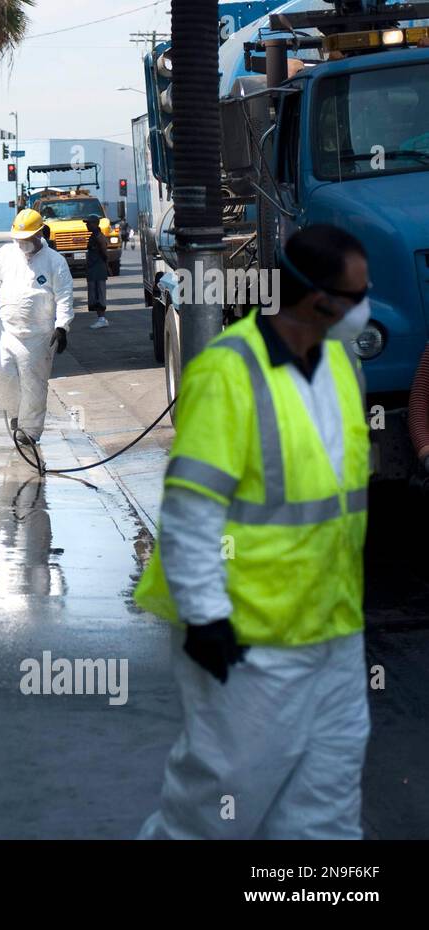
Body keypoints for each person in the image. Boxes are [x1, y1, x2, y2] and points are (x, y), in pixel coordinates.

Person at [134, 224, 374, 840]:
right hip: (249, 639)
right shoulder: (228, 372)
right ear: (317, 300)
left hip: (334, 632)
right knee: (215, 811)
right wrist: (207, 618)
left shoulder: (341, 363)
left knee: (325, 812)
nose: (366, 307)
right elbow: (191, 511)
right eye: (357, 295)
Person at [0, 209, 73, 445]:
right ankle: (16, 413)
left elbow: (64, 296)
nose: (22, 244)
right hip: (6, 329)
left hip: (39, 335)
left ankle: (30, 430)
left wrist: (62, 326)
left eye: (26, 239)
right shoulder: (6, 254)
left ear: (39, 234)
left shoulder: (55, 261)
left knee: (33, 383)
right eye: (19, 239)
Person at [85, 214, 111, 329]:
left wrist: (106, 266)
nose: (87, 225)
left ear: (95, 224)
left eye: (89, 223)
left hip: (98, 268)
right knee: (94, 295)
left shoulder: (99, 236)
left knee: (99, 294)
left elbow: (104, 252)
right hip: (93, 268)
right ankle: (100, 318)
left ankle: (102, 319)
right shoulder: (93, 236)